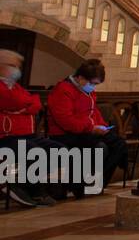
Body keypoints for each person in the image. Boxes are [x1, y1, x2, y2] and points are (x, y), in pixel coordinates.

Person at [46, 59, 126, 196]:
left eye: (96, 84)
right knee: (101, 147)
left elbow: (94, 112)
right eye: (92, 83)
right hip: (65, 134)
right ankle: (80, 185)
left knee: (119, 144)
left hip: (86, 131)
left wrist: (104, 127)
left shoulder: (88, 92)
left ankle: (98, 182)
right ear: (81, 77)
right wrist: (92, 128)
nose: (93, 87)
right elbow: (65, 120)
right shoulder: (63, 90)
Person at [0, 50, 59, 207]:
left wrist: (24, 105)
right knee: (34, 152)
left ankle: (23, 185)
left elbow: (35, 103)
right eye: (12, 65)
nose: (16, 69)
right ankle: (33, 191)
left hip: (26, 134)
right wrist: (24, 105)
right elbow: (10, 101)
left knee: (59, 150)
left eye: (18, 66)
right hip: (5, 137)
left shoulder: (15, 86)